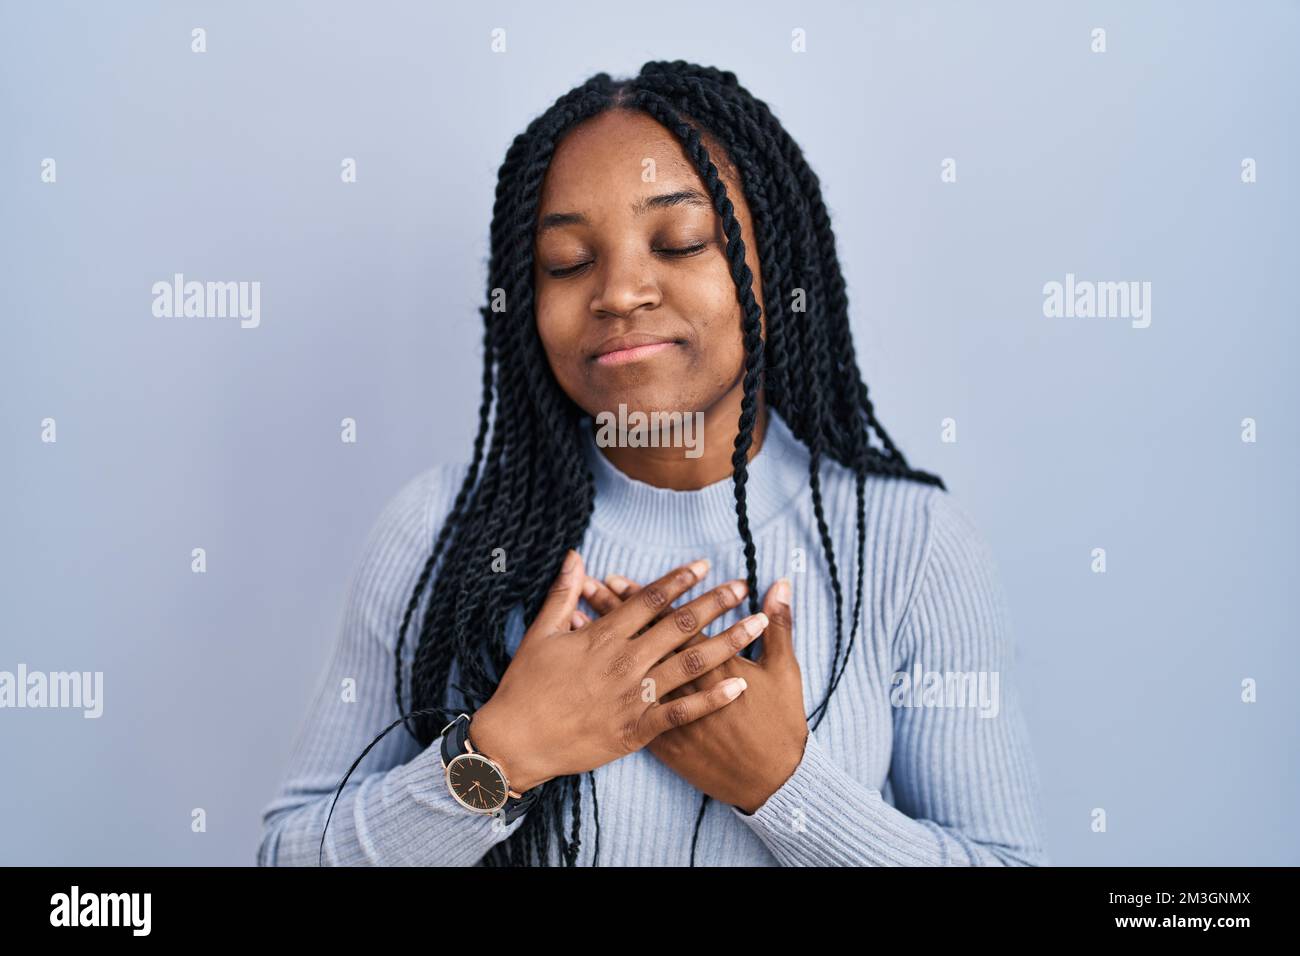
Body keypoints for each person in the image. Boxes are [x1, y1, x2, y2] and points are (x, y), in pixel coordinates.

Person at [257, 61, 1048, 867]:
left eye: (679, 242)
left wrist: (784, 786)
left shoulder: (909, 547)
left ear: (773, 268)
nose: (620, 291)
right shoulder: (440, 529)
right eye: (567, 261)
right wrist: (500, 757)